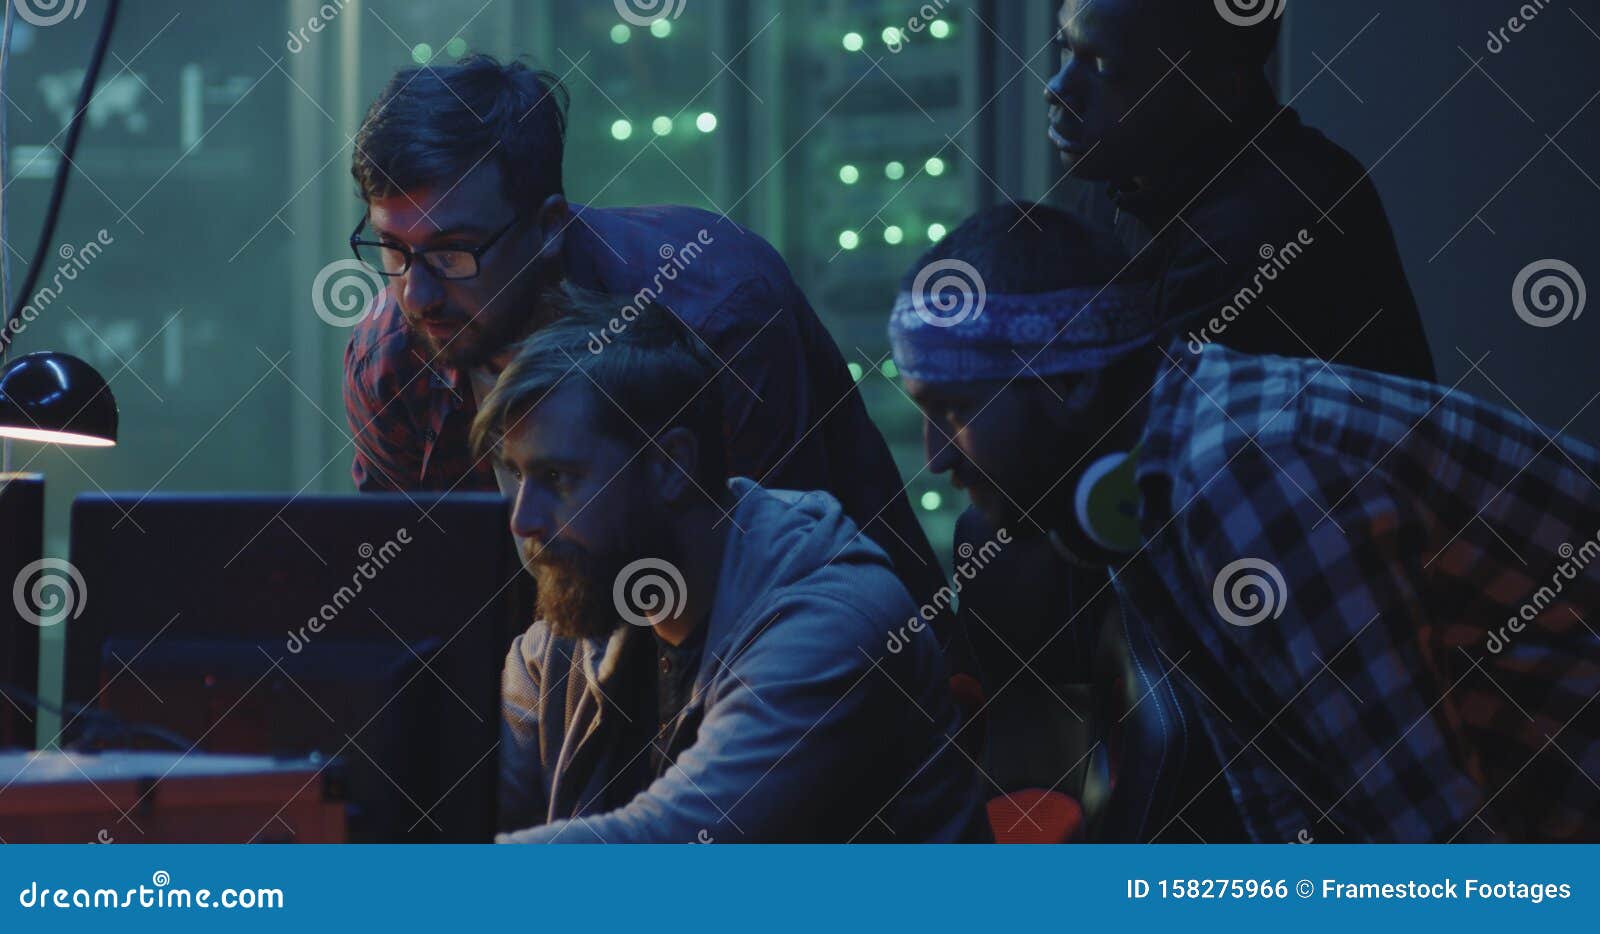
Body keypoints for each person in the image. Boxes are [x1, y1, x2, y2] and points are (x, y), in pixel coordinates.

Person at [890, 203, 1600, 842]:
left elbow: (1431, 843)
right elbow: (1284, 793)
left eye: (953, 410)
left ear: (1072, 381)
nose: (935, 460)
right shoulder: (1150, 470)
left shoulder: (1244, 481)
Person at [340, 55, 950, 647]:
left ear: (549, 228)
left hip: (845, 680)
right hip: (561, 692)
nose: (415, 293)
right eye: (392, 249)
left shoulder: (714, 315)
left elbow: (770, 590)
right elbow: (414, 617)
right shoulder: (392, 360)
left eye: (453, 252)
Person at [475, 291, 988, 843]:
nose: (521, 521)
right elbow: (450, 802)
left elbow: (675, 841)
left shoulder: (832, 626)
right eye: (516, 476)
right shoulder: (576, 624)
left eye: (556, 479)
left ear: (671, 465)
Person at [1045, 0, 1436, 381]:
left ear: (1219, 87)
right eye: (1066, 48)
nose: (1057, 88)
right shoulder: (1125, 174)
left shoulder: (1277, 221)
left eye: (1103, 66)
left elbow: (1113, 422)